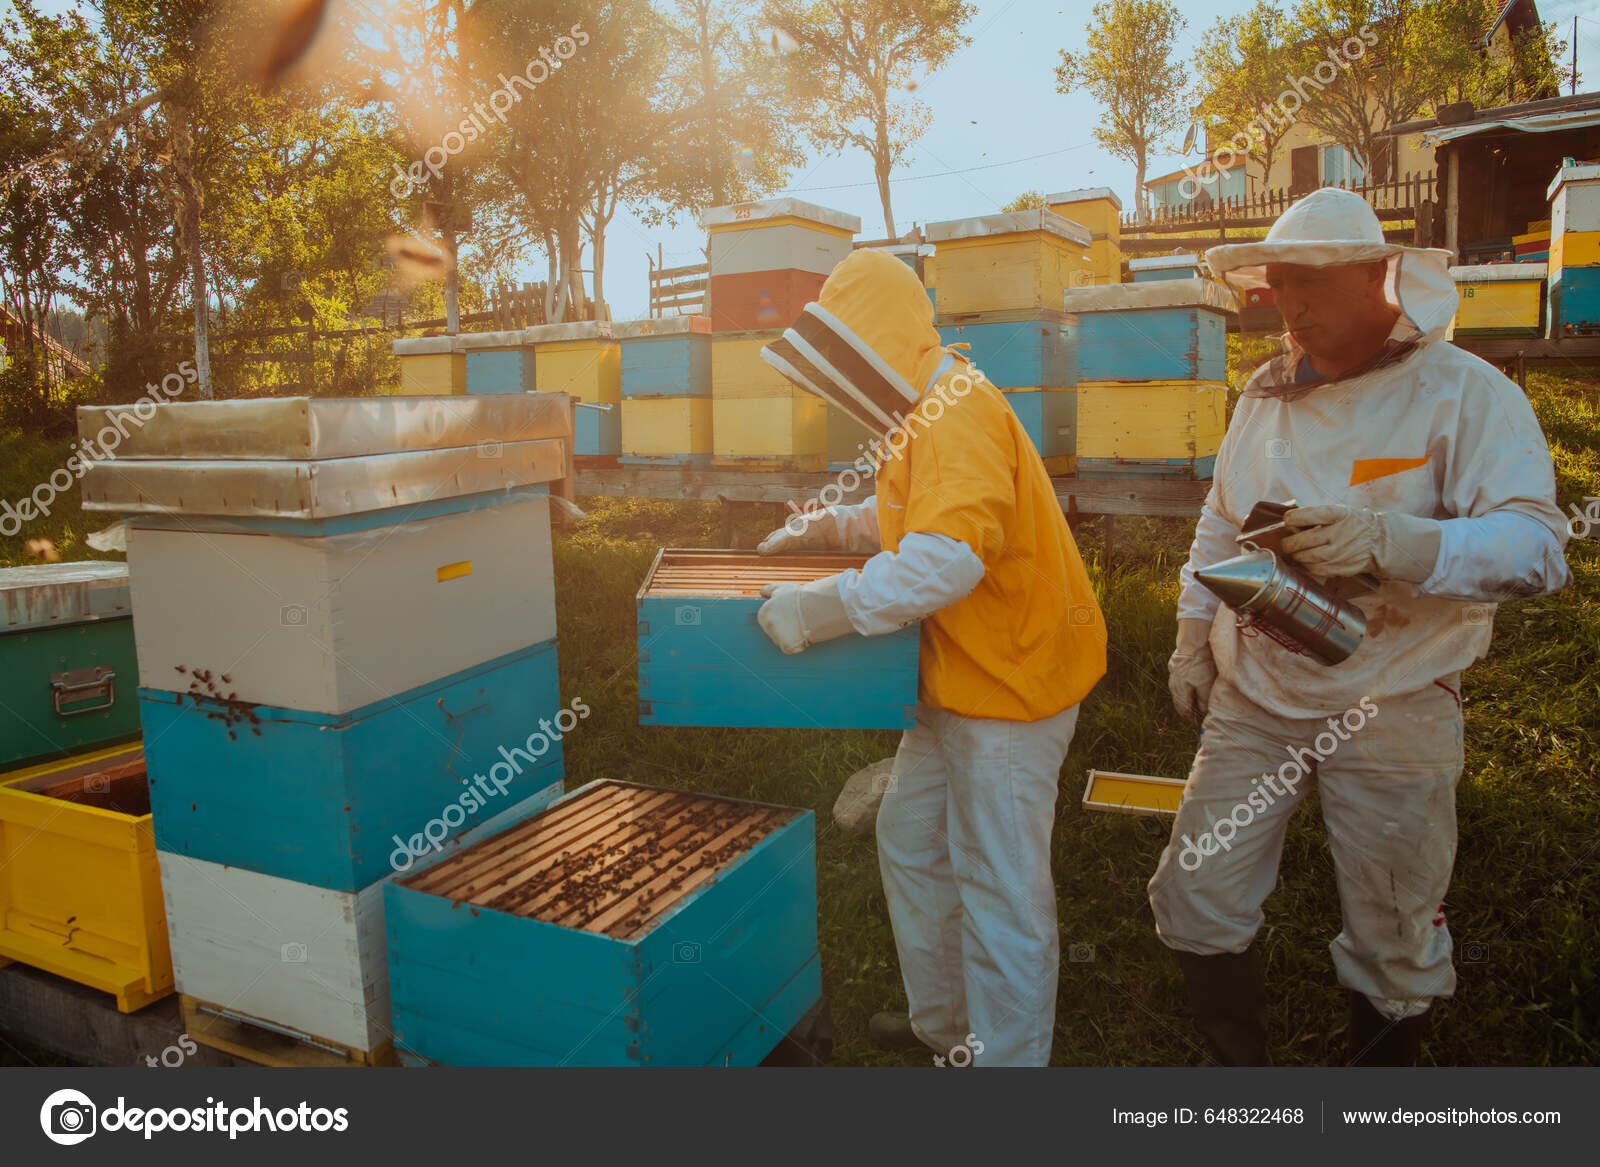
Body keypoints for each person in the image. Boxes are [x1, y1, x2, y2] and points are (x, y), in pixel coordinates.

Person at [1149, 188, 1571, 1066]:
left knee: (1393, 936)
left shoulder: (1466, 394)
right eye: (1276, 287)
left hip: (1395, 697)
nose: (1288, 306)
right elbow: (1220, 528)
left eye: (1308, 284)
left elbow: (1538, 549)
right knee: (1194, 890)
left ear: (1379, 277)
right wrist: (1192, 639)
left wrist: (1392, 539)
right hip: (1258, 693)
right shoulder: (1263, 397)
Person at [751, 248, 1107, 1066]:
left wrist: (821, 607)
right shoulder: (921, 408)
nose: (840, 379)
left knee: (1000, 889)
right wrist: (831, 530)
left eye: (846, 353)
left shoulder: (955, 412)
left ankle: (1006, 1063)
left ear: (877, 339)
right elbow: (920, 519)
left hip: (1014, 682)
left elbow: (947, 560)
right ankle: (949, 1030)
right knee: (911, 838)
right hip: (958, 676)